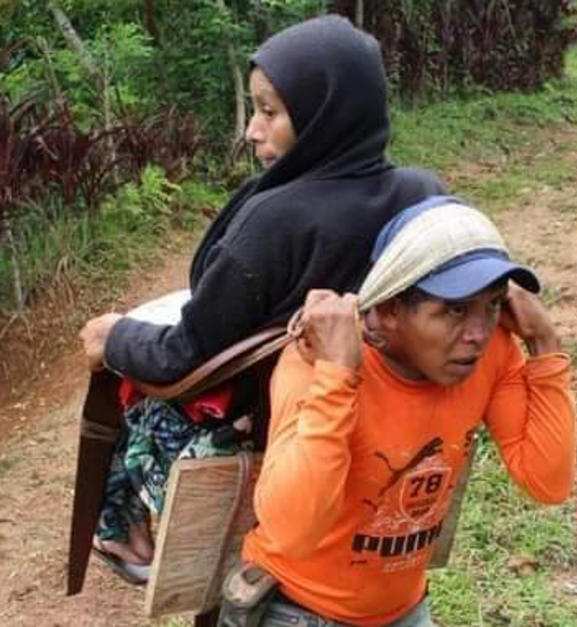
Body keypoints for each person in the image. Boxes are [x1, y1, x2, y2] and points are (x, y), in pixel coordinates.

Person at [78, 15, 447, 583]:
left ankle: (122, 531)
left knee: (121, 374)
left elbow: (185, 354)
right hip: (385, 421)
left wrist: (114, 336)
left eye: (270, 112)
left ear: (325, 113)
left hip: (268, 429)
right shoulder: (422, 194)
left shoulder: (277, 220)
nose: (252, 130)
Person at [236, 197, 577, 626]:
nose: (478, 333)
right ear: (390, 309)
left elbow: (548, 482)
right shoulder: (319, 362)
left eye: (492, 304)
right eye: (455, 309)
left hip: (405, 611)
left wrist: (545, 343)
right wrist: (338, 376)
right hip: (296, 609)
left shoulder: (490, 355)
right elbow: (292, 533)